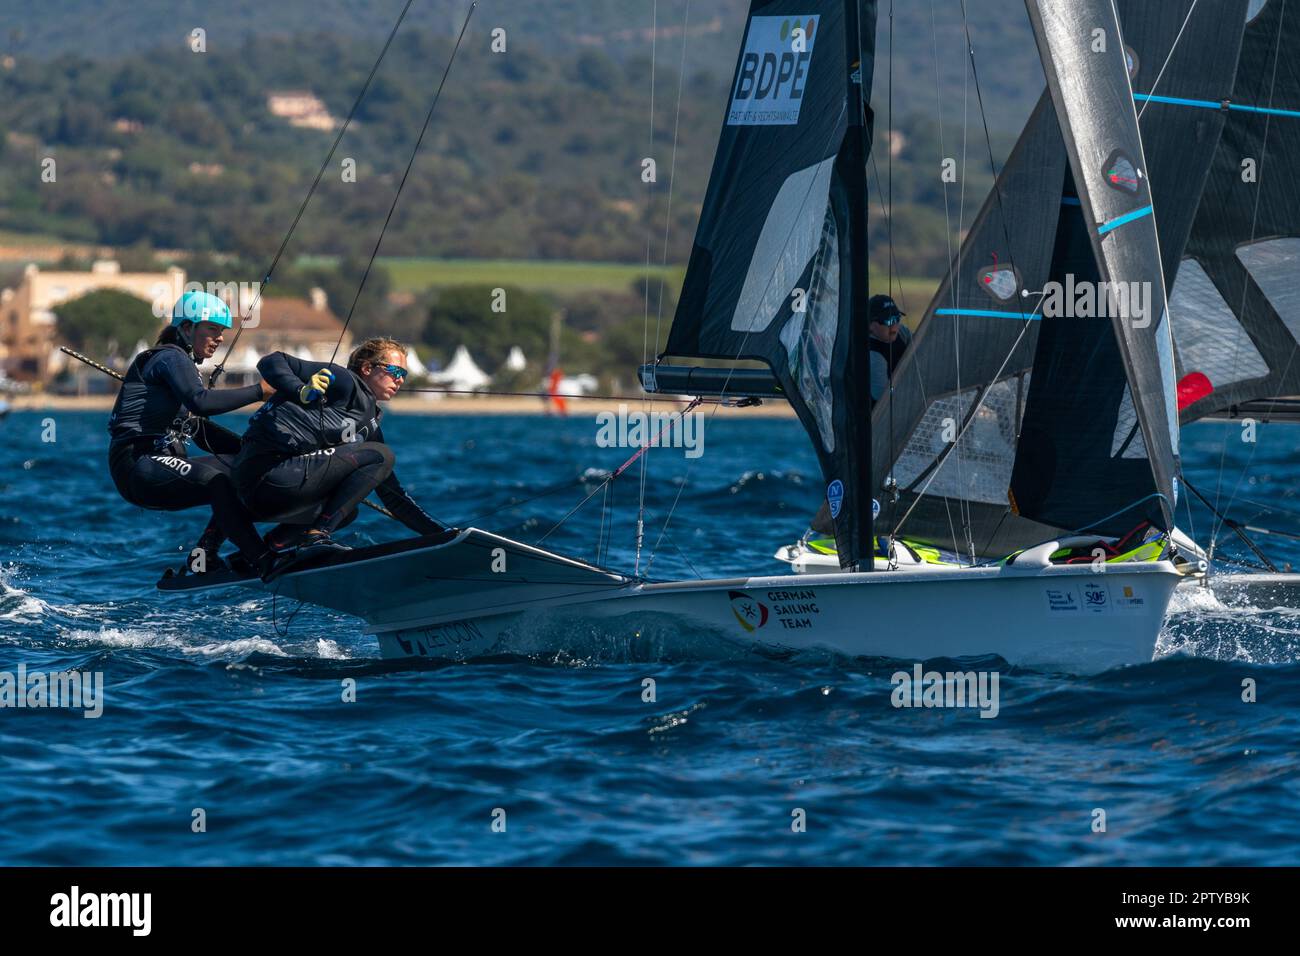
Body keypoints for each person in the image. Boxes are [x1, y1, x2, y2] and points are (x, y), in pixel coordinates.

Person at [231, 337, 447, 562]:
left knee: (345, 512)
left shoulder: (369, 427)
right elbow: (271, 361)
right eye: (395, 371)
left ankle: (260, 552)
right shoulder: (344, 380)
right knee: (382, 455)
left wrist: (441, 535)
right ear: (367, 368)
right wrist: (301, 390)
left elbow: (393, 498)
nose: (400, 380)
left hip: (277, 492)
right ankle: (316, 537)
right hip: (268, 478)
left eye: (404, 375)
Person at [107, 290, 276, 575]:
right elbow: (201, 402)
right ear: (187, 328)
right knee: (218, 479)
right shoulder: (169, 358)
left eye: (222, 331)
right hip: (136, 463)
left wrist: (250, 449)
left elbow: (197, 429)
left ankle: (205, 554)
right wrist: (259, 391)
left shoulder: (180, 365)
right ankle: (262, 559)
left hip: (156, 463)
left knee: (244, 466)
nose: (220, 338)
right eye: (212, 329)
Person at [865, 293, 912, 403]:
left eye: (897, 318)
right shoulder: (873, 355)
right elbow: (883, 400)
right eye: (889, 321)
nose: (894, 326)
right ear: (870, 325)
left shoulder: (901, 332)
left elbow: (921, 351)